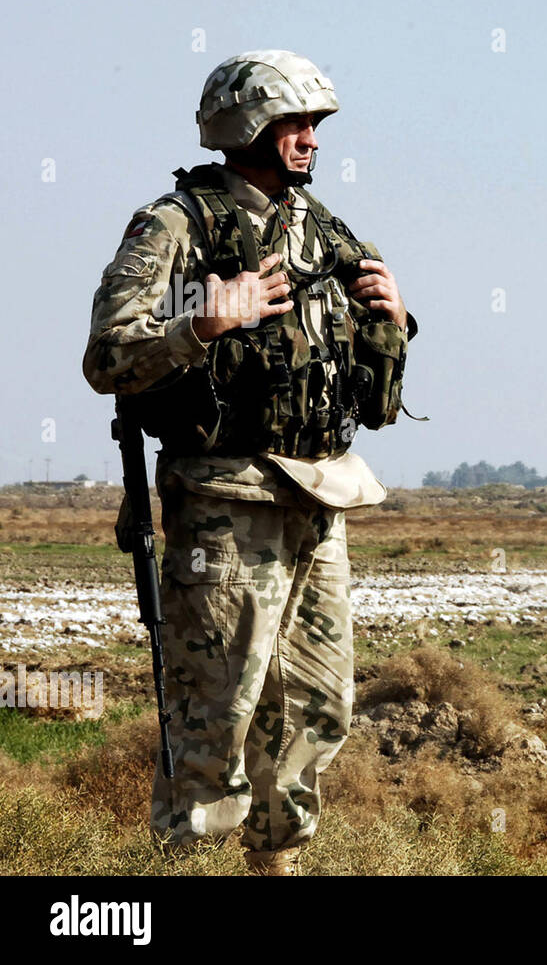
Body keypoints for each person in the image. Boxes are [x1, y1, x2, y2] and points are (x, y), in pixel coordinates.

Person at [83, 50, 418, 875]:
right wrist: (199, 323)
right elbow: (105, 359)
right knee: (212, 717)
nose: (309, 139)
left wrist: (393, 321)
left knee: (313, 711)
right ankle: (185, 867)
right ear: (247, 127)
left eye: (314, 125)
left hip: (322, 493)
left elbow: (359, 383)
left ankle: (278, 867)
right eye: (294, 122)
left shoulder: (324, 231)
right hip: (224, 502)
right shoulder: (174, 224)